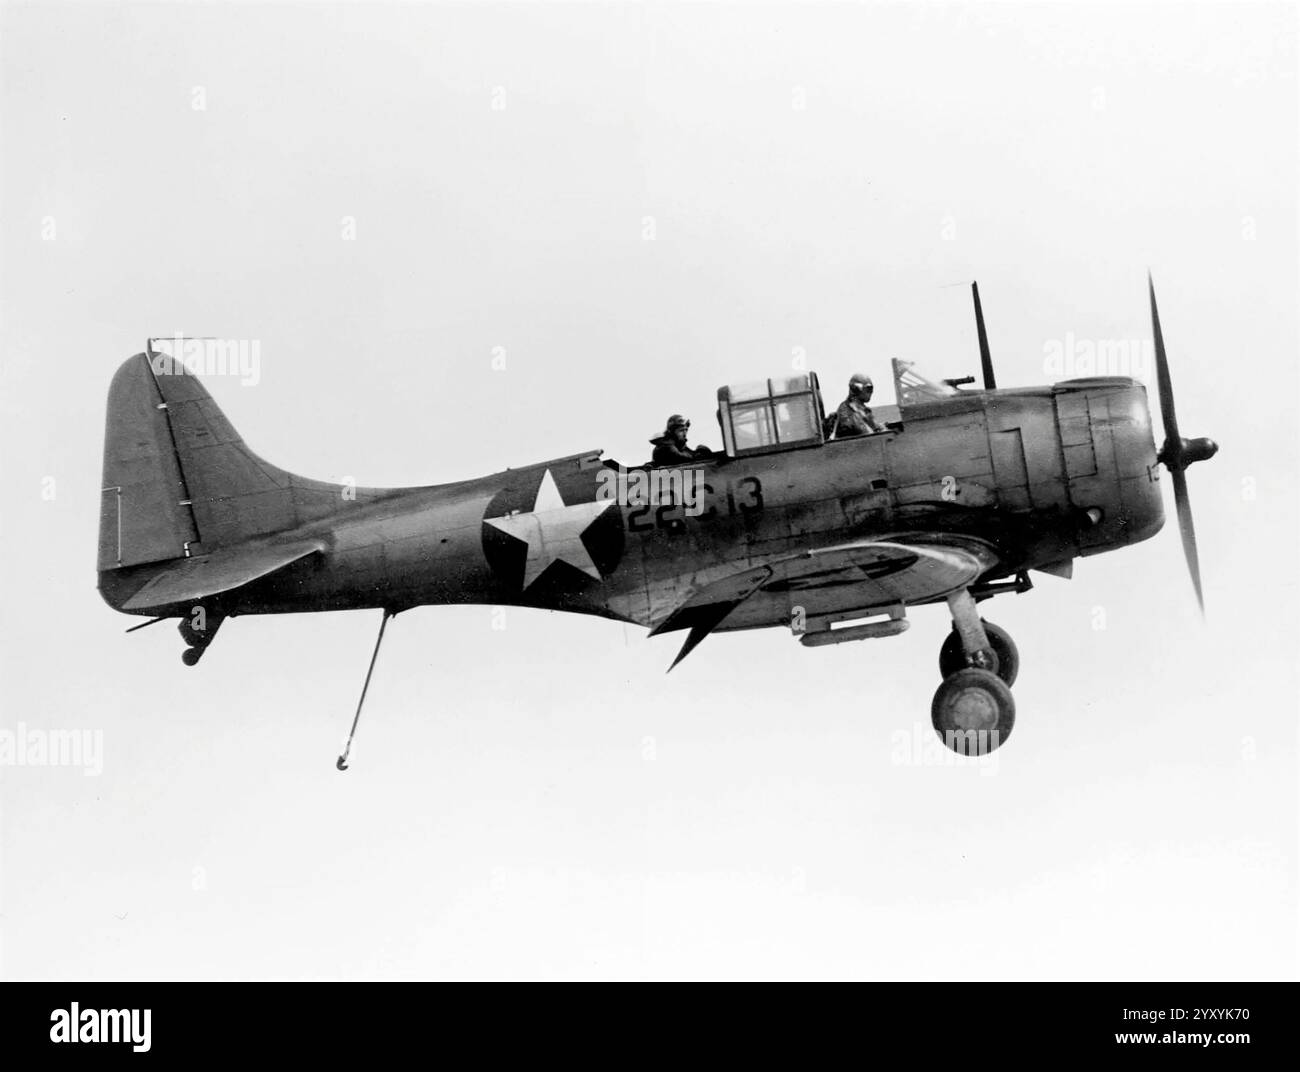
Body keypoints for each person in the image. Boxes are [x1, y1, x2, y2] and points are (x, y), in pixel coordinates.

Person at [832, 373, 885, 438]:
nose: (871, 392)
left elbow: (876, 426)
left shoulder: (864, 409)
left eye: (871, 389)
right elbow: (867, 433)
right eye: (868, 389)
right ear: (856, 389)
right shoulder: (846, 410)